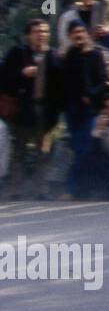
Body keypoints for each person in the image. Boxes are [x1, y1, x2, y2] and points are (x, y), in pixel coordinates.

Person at [0, 19, 62, 199]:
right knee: (19, 151)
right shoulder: (17, 54)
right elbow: (3, 80)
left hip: (46, 112)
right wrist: (21, 74)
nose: (41, 35)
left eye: (44, 31)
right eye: (36, 31)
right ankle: (15, 190)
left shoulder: (54, 55)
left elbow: (61, 86)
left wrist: (56, 112)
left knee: (43, 152)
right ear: (28, 35)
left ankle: (41, 190)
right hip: (21, 111)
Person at [61, 22, 109, 198]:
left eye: (80, 32)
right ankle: (81, 188)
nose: (78, 35)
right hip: (73, 110)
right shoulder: (70, 55)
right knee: (80, 149)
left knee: (88, 147)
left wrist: (91, 94)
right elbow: (65, 82)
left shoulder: (97, 53)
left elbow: (106, 80)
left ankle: (75, 187)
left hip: (93, 109)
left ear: (86, 33)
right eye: (74, 33)